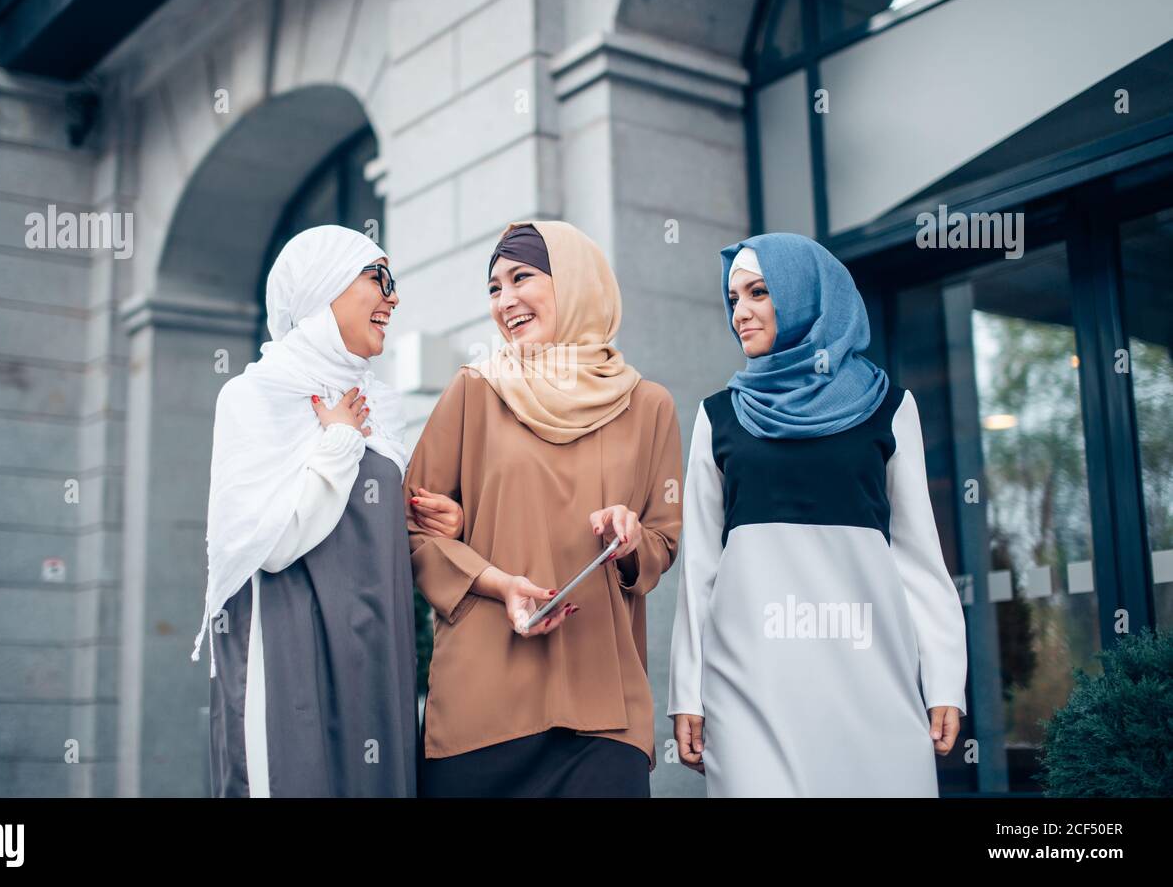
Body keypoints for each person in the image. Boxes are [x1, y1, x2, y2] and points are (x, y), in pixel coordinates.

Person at [667, 232, 968, 797]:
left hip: (871, 671)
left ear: (806, 294)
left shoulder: (890, 408)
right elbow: (700, 566)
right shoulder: (718, 417)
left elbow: (919, 556)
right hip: (750, 680)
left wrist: (946, 679)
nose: (741, 313)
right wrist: (687, 691)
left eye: (758, 293)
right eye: (733, 299)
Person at [405, 221, 684, 797]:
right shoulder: (475, 390)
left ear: (577, 282)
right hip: (482, 708)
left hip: (603, 710)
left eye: (522, 277)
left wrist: (632, 540)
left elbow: (664, 539)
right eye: (493, 288)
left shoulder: (649, 406)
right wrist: (496, 581)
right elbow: (415, 526)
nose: (505, 301)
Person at [193, 224, 459, 797]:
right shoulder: (254, 395)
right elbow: (270, 544)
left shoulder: (379, 409)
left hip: (376, 651)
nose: (393, 296)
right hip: (292, 647)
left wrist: (430, 521)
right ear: (323, 289)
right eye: (377, 278)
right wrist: (337, 445)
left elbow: (377, 531)